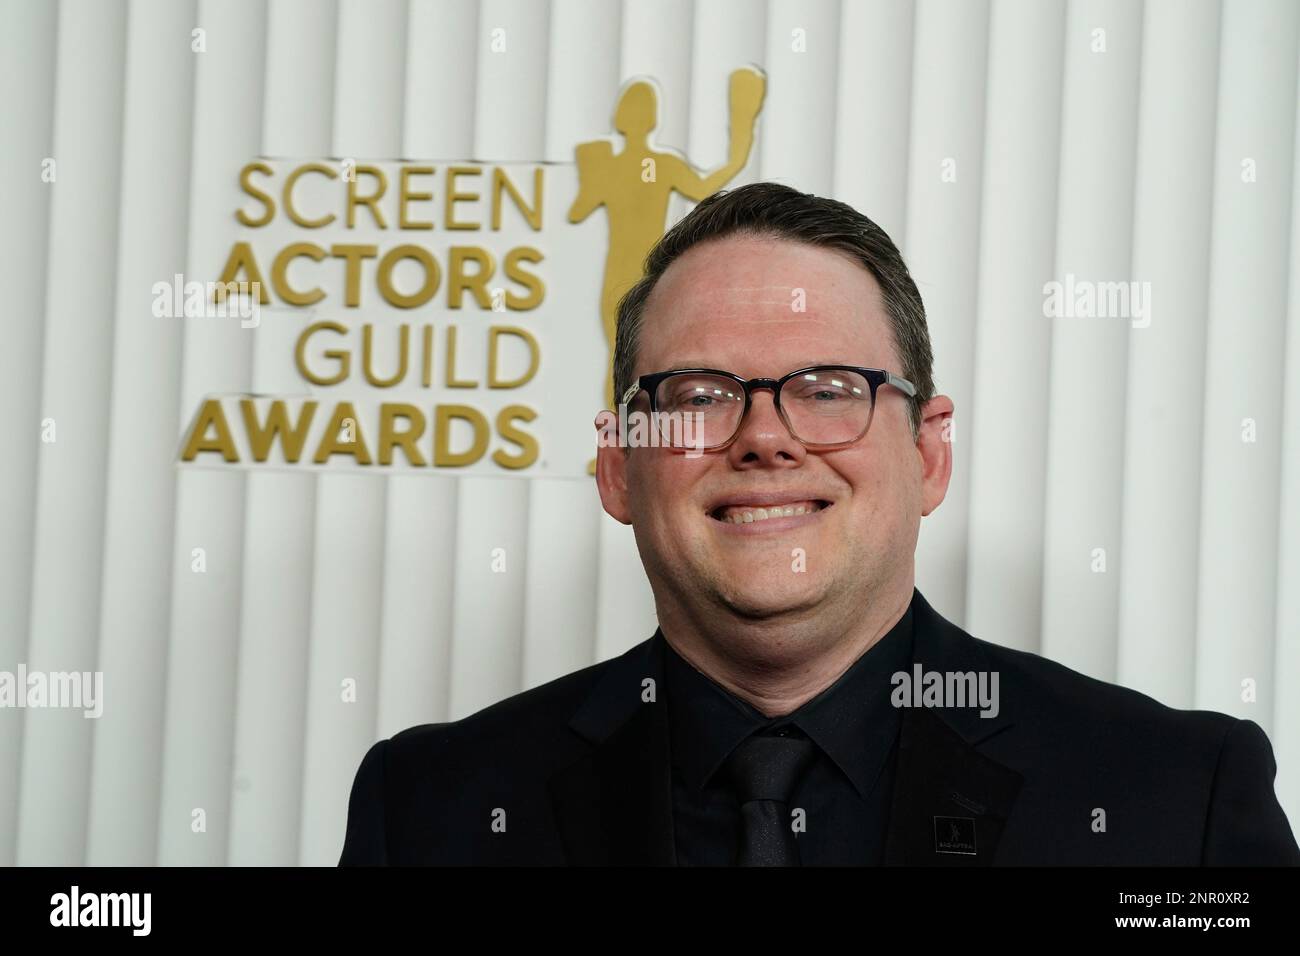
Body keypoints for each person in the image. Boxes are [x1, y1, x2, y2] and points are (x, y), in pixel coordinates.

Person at [339, 182, 1300, 865]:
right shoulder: (429, 810)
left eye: (830, 388)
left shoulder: (1176, 798)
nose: (764, 438)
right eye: (702, 393)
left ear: (928, 454)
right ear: (617, 467)